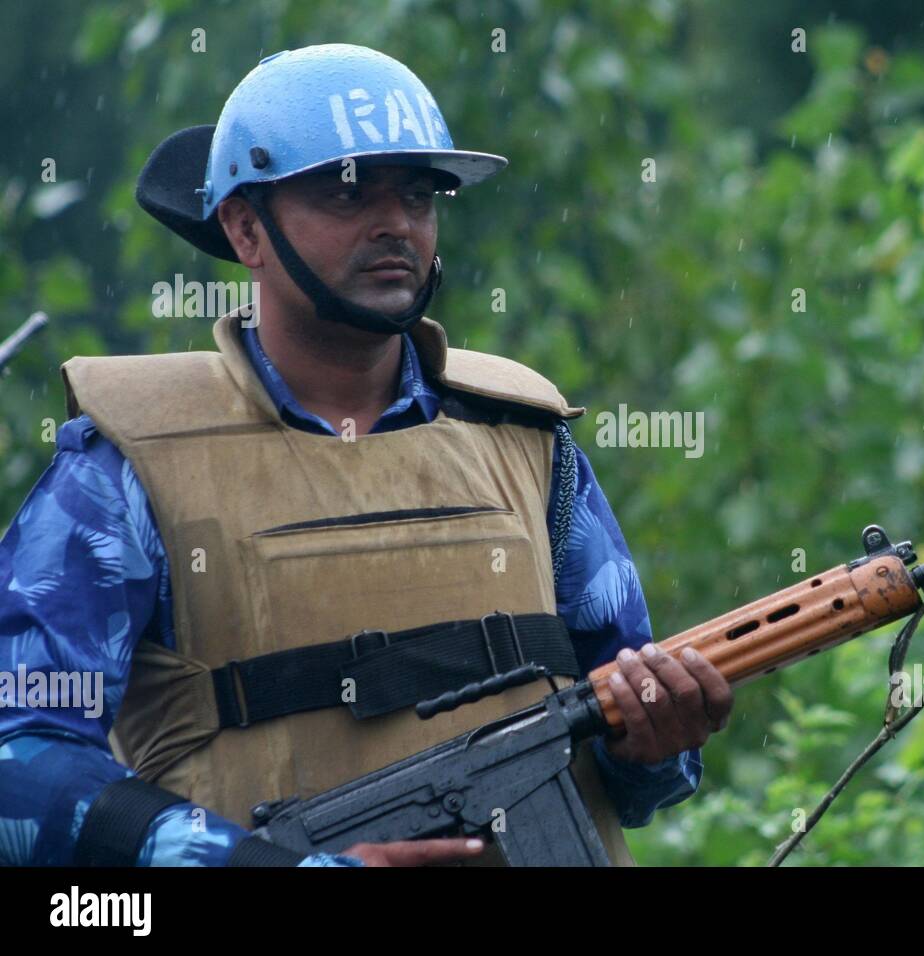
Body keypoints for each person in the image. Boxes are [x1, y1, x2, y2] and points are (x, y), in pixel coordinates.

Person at [0, 44, 732, 867]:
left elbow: (640, 765)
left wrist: (653, 743)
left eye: (418, 194)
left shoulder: (527, 441)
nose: (396, 223)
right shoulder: (125, 467)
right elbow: (19, 757)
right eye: (348, 191)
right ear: (245, 228)